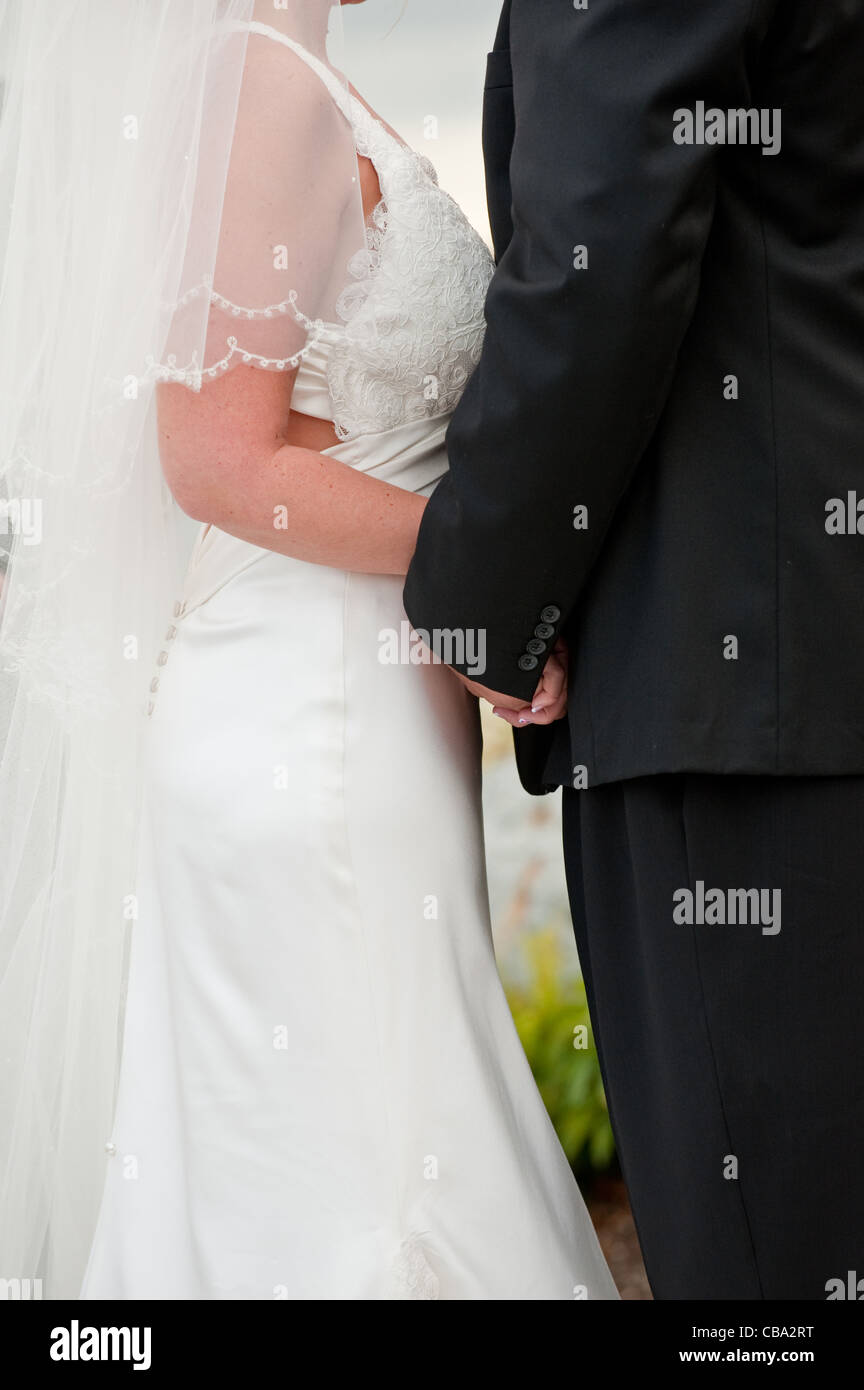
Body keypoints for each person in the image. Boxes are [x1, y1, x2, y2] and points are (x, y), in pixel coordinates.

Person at [58, 2, 616, 1301]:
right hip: (305, 732)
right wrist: (497, 572)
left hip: (353, 720)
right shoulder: (266, 88)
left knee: (350, 1162)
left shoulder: (289, 82)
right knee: (368, 1188)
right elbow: (218, 457)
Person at [405, 0, 864, 1300]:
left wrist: (486, 600)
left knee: (765, 1274)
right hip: (795, 660)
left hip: (741, 698)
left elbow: (598, 257)